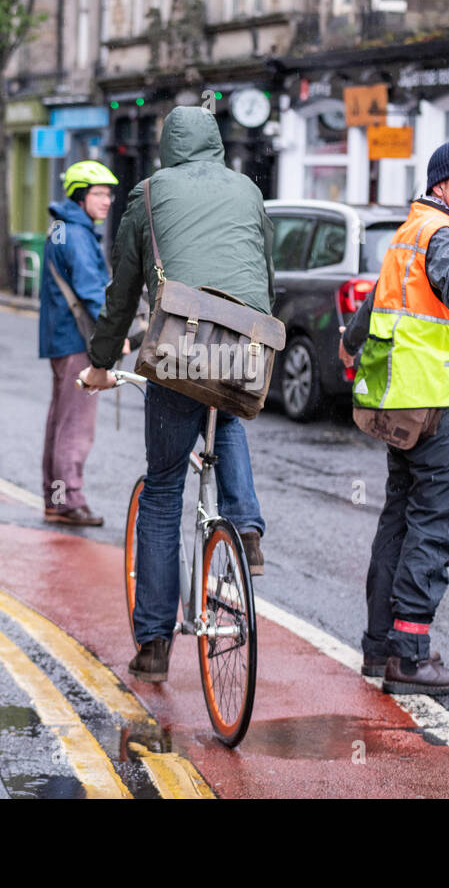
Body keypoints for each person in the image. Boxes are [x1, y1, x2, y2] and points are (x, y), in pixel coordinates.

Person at [78, 105, 274, 683]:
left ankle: (155, 643)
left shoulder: (147, 193)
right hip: (248, 341)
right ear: (214, 143)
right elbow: (265, 270)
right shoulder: (247, 189)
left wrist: (99, 361)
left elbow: (124, 290)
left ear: (168, 145)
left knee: (163, 492)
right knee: (226, 407)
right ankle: (248, 530)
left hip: (181, 345)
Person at [338, 140, 449, 695]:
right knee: (436, 525)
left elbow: (377, 301)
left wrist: (350, 340)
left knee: (401, 522)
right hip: (446, 406)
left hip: (407, 406)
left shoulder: (409, 231)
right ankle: (410, 656)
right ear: (440, 185)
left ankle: (380, 646)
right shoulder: (445, 236)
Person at [40, 160, 119, 527]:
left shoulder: (65, 229)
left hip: (62, 338)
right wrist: (115, 334)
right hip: (76, 340)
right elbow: (93, 293)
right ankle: (69, 498)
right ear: (79, 196)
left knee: (60, 419)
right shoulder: (75, 233)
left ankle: (55, 498)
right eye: (99, 194)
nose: (106, 201)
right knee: (76, 424)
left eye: (108, 194)